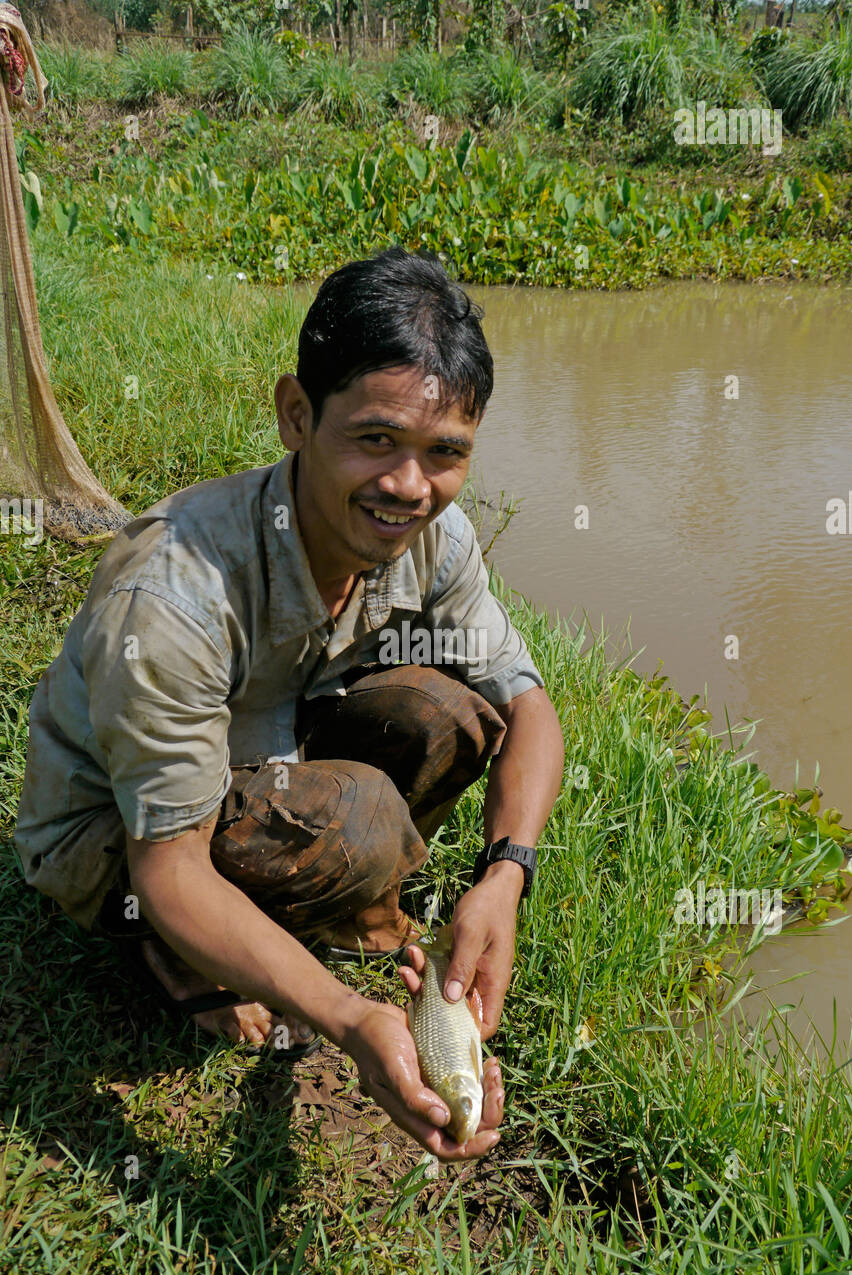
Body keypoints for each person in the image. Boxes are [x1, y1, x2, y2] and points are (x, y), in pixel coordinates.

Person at [14, 246, 565, 1161]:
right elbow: (168, 867)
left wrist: (504, 875)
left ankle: (295, 909)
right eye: (375, 440)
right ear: (296, 416)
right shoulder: (174, 593)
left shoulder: (433, 534)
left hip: (270, 749)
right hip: (118, 841)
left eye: (444, 455)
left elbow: (529, 705)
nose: (408, 487)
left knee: (458, 719)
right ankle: (181, 955)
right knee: (361, 825)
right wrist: (353, 1020)